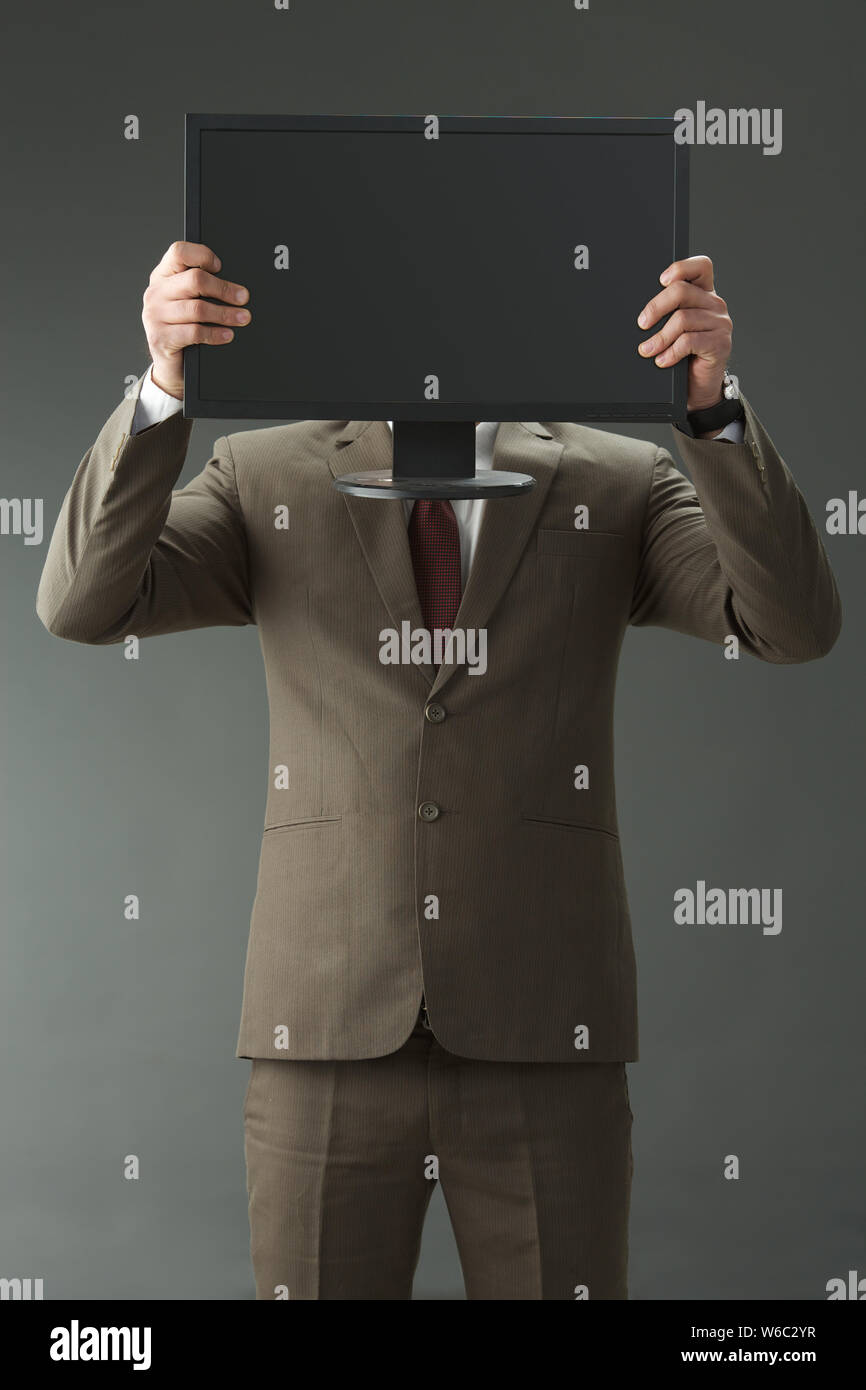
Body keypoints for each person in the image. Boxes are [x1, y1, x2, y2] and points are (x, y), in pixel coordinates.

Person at [36, 241, 841, 1300]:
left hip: (547, 1029)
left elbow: (788, 623)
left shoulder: (618, 477)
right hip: (321, 1028)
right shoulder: (264, 471)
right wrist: (163, 386)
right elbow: (83, 602)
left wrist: (709, 413)